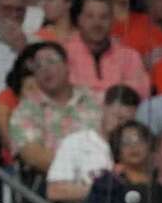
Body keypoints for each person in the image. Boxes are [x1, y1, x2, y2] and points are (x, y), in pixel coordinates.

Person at [8, 41, 103, 174]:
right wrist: (78, 172)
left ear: (67, 66)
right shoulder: (25, 111)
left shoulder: (96, 99)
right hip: (53, 182)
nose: (45, 69)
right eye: (38, 66)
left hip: (103, 176)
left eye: (51, 61)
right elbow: (33, 155)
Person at [46, 85, 133, 203]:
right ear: (104, 107)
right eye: (117, 116)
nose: (120, 124)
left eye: (126, 121)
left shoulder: (133, 149)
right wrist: (103, 189)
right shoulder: (76, 142)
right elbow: (55, 191)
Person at [64, 0, 150, 101]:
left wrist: (92, 94)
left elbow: (140, 92)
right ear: (80, 20)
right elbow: (64, 94)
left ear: (112, 22)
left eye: (104, 17)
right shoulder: (63, 54)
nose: (97, 23)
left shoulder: (130, 56)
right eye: (90, 16)